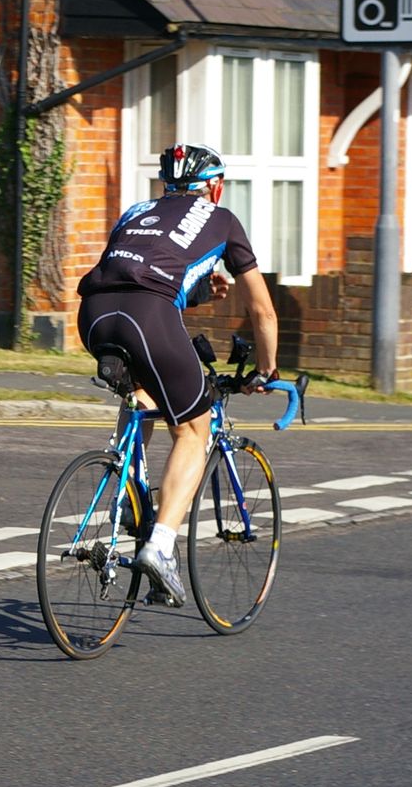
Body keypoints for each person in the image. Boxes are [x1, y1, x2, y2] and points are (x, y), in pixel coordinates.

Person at [75, 142, 281, 607]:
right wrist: (267, 368)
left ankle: (129, 496)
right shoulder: (223, 219)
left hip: (93, 315)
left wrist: (200, 295)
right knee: (194, 428)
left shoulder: (136, 210)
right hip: (147, 317)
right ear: (215, 186)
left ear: (166, 185)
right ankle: (161, 546)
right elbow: (263, 311)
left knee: (144, 393)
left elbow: (141, 276)